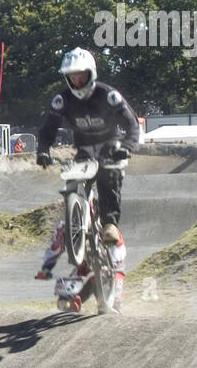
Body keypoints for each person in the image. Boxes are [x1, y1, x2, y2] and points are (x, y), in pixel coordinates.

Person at [34, 48, 140, 312]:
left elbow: (132, 124)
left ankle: (110, 224)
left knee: (108, 174)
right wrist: (43, 150)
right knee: (72, 173)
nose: (77, 81)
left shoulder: (109, 95)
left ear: (91, 74)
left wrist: (127, 146)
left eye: (81, 75)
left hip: (111, 146)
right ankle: (76, 221)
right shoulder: (62, 100)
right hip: (83, 150)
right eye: (72, 77)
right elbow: (47, 129)